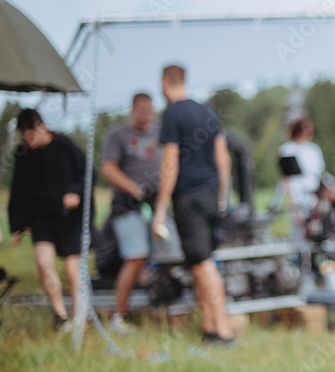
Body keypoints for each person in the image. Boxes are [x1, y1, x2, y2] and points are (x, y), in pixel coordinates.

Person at [150, 65, 235, 346]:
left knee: (203, 263)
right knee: (200, 263)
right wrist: (221, 197)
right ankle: (209, 327)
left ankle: (223, 330)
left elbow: (170, 164)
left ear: (165, 82)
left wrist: (160, 210)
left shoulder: (172, 113)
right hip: (211, 196)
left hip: (189, 199)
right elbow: (224, 159)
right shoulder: (208, 111)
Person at [8, 108, 91, 332]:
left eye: (31, 133)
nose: (27, 138)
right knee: (44, 265)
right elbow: (19, 190)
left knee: (73, 271)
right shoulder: (24, 154)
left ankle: (80, 318)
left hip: (70, 218)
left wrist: (75, 191)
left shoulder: (64, 145)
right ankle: (61, 317)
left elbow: (86, 172)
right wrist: (18, 223)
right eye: (23, 134)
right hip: (41, 218)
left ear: (41, 127)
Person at [100, 93, 160, 334]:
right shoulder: (118, 135)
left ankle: (158, 309)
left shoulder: (160, 132)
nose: (146, 114)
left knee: (162, 257)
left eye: (150, 109)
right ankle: (119, 315)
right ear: (133, 109)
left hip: (157, 205)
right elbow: (108, 168)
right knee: (136, 256)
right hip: (128, 206)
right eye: (141, 109)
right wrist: (134, 188)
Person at [278, 118, 325, 213]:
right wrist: (293, 205)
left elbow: (320, 174)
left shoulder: (314, 149)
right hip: (298, 198)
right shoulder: (286, 150)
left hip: (314, 196)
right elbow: (286, 179)